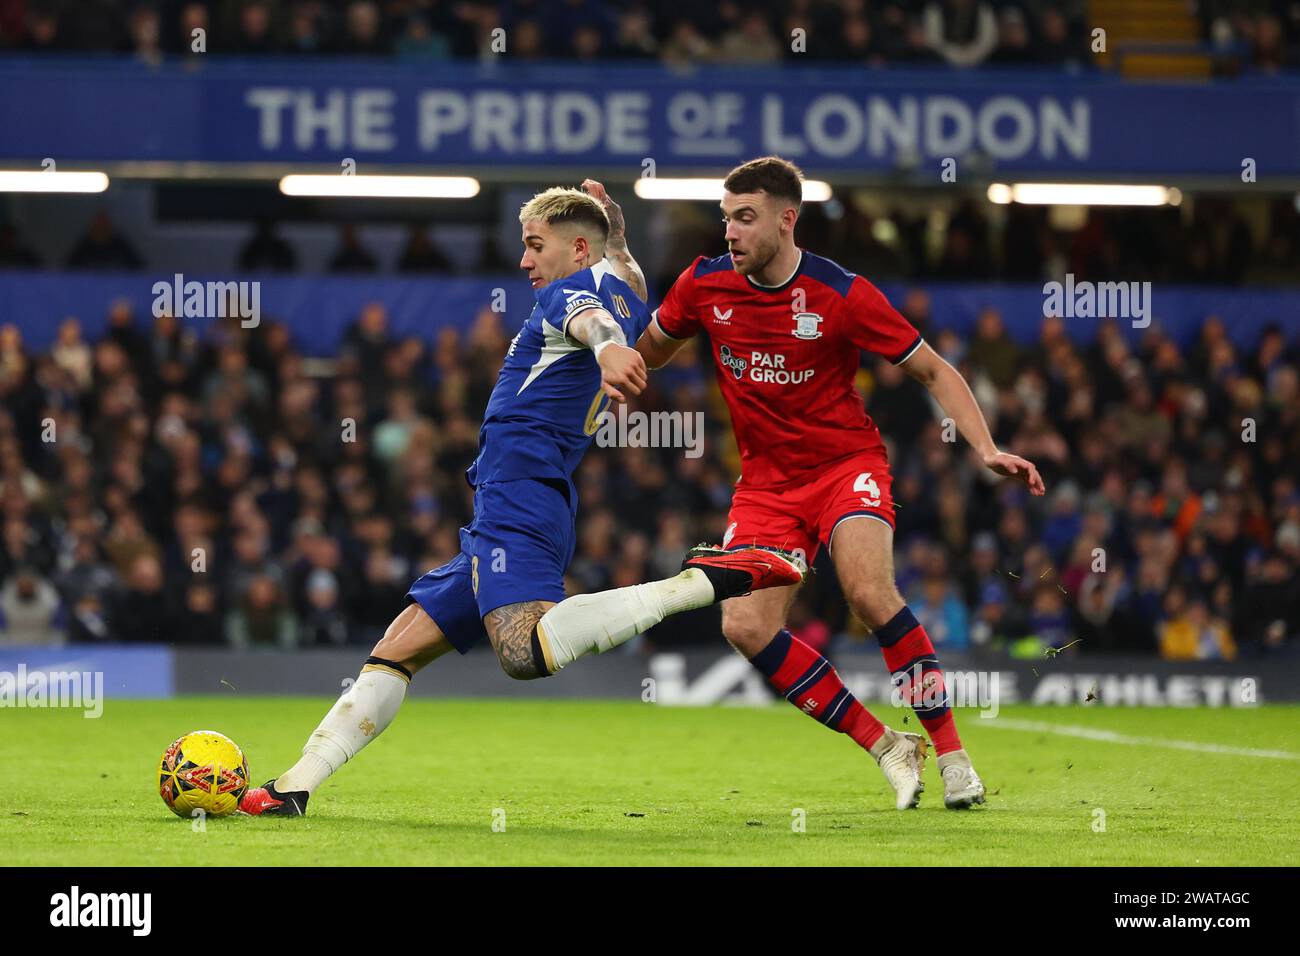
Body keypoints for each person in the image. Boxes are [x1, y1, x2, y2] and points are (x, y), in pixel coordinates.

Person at [240, 186, 803, 816]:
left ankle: (702, 583)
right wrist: (617, 238)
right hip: (512, 503)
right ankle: (294, 787)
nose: (525, 261)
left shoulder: (572, 296)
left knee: (523, 653)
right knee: (397, 650)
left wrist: (609, 346)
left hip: (520, 493)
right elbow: (625, 278)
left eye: (536, 245)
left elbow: (589, 317)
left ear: (577, 248)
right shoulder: (626, 287)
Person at [634, 157, 1046, 809]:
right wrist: (624, 298)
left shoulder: (840, 293)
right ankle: (888, 745)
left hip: (844, 467)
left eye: (745, 218)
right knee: (743, 626)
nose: (731, 232)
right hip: (766, 486)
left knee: (867, 591)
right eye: (726, 219)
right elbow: (650, 351)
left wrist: (986, 447)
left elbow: (935, 371)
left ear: (786, 220)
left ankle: (956, 759)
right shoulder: (704, 284)